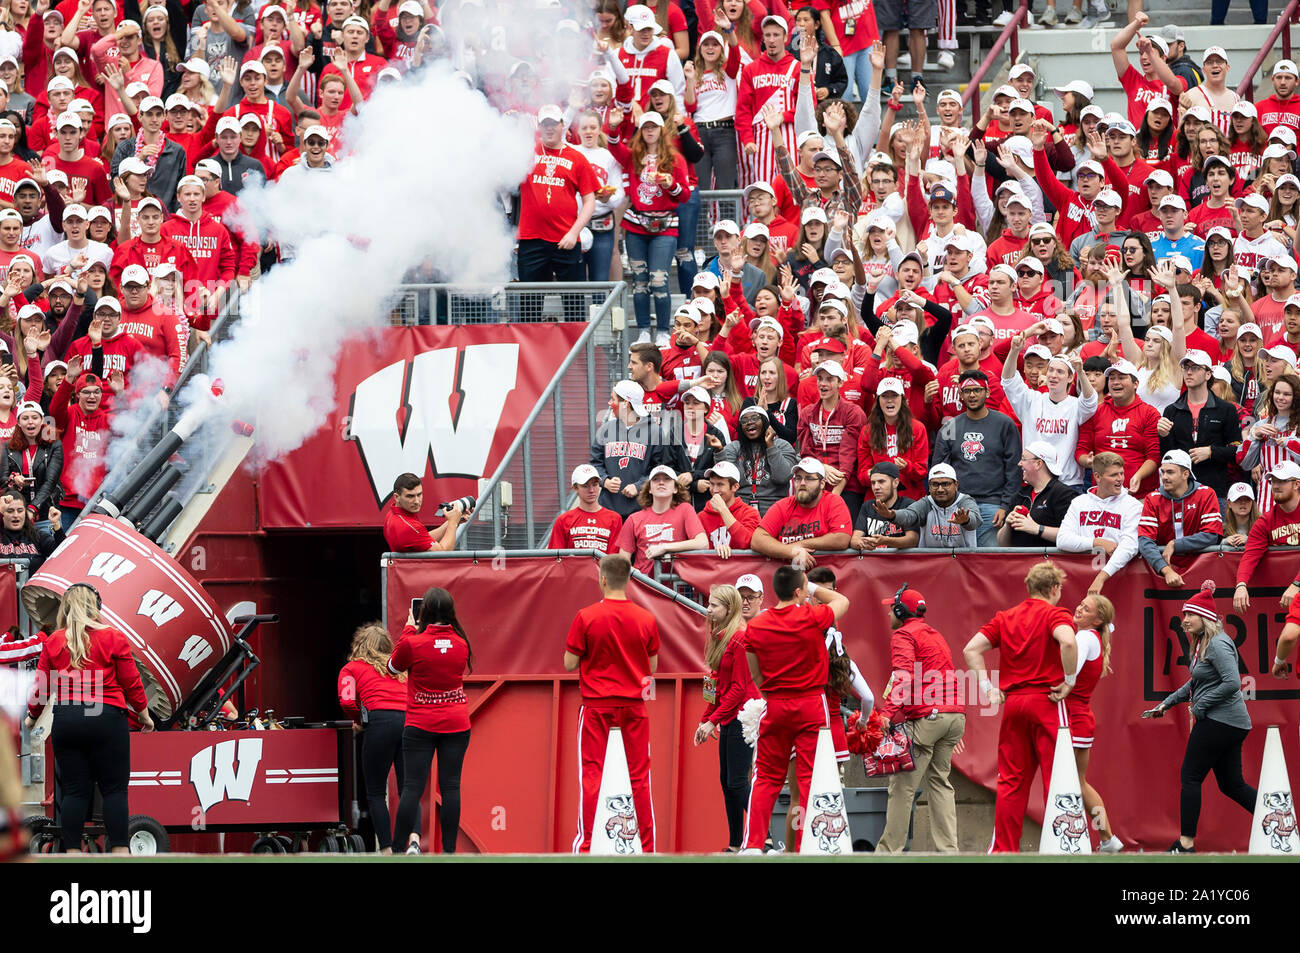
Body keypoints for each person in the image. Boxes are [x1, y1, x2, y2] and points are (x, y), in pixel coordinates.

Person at [24, 583, 155, 853]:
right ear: (96, 607)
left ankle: (72, 853)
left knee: (74, 791)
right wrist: (144, 715)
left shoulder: (54, 641)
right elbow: (131, 683)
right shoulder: (114, 637)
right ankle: (120, 851)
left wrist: (31, 717)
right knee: (114, 790)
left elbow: (41, 687)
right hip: (106, 717)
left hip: (68, 719)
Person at [963, 562, 1078, 854]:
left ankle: (1004, 851)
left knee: (1011, 782)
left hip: (1014, 704)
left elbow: (970, 649)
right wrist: (1069, 680)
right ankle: (1063, 847)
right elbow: (1067, 642)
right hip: (1047, 702)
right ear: (1054, 589)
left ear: (1028, 587)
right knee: (1058, 776)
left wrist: (988, 689)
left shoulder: (1006, 617)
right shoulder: (1056, 614)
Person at [741, 564, 851, 853]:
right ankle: (802, 848)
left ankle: (752, 845)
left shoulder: (756, 626)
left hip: (776, 703)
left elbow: (756, 674)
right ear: (799, 590)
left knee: (765, 778)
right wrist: (811, 587)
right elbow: (842, 601)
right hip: (811, 704)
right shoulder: (811, 617)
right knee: (806, 781)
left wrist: (773, 694)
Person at [1144, 581, 1256, 853]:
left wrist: (1200, 707)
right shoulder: (1202, 644)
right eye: (1184, 615)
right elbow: (1194, 684)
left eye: (1189, 615)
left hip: (1221, 722)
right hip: (1229, 723)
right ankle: (1282, 821)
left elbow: (1232, 683)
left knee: (1190, 777)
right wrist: (1166, 704)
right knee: (1232, 785)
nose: (1184, 620)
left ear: (1205, 617)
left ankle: (1185, 845)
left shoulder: (1218, 644)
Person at [565, 554, 659, 854]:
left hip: (596, 705)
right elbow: (652, 668)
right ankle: (648, 847)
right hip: (634, 706)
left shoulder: (586, 616)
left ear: (602, 578)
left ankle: (586, 845)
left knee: (591, 776)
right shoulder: (646, 618)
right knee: (640, 778)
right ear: (629, 579)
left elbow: (569, 664)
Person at [873, 583, 965, 854]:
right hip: (954, 717)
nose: (889, 612)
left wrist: (887, 714)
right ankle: (949, 853)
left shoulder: (903, 635)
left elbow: (903, 676)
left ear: (901, 611)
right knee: (940, 783)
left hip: (928, 718)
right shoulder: (934, 634)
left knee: (902, 787)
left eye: (892, 608)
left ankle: (888, 853)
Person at [389, 588, 472, 854]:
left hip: (420, 723)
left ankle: (398, 849)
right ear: (451, 612)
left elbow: (393, 667)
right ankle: (448, 852)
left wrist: (408, 630)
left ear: (422, 612)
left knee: (412, 788)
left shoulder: (414, 642)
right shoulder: (461, 643)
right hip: (456, 723)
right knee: (451, 787)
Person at [694, 583, 760, 852]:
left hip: (744, 717)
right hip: (730, 716)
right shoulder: (721, 636)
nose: (708, 610)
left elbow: (738, 689)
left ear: (728, 609)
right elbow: (716, 684)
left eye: (714, 606)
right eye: (709, 604)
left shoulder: (740, 638)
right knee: (727, 781)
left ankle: (763, 836)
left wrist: (712, 721)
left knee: (737, 781)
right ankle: (735, 844)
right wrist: (706, 717)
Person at [338, 622, 413, 854]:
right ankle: (412, 842)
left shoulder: (351, 668)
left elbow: (346, 700)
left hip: (379, 723)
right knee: (407, 788)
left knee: (376, 792)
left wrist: (359, 721)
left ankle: (387, 851)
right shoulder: (399, 670)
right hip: (408, 722)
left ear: (360, 644)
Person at [930, 369, 1021, 546]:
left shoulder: (1004, 424)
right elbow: (939, 471)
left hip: (993, 505)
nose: (972, 395)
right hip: (958, 505)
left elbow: (1014, 470)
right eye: (967, 391)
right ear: (960, 394)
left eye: (977, 390)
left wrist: (1005, 506)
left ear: (987, 392)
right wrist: (944, 507)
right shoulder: (950, 427)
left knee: (990, 562)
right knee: (956, 563)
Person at [1003, 327, 1098, 491]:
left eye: (1060, 372)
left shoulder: (1075, 405)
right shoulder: (1032, 400)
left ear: (1070, 378)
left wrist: (1081, 372)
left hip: (1068, 484)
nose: (1053, 375)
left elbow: (1090, 401)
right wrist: (1013, 351)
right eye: (1051, 370)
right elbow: (1008, 380)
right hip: (1034, 484)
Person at [1065, 593, 1124, 853]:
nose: (1079, 609)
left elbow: (1070, 672)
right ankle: (1107, 839)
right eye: (1080, 604)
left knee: (1075, 783)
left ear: (1098, 619)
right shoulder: (1093, 638)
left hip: (1072, 718)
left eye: (1085, 608)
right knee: (1079, 783)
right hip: (1079, 717)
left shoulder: (1084, 638)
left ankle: (1089, 839)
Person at [516, 104, 596, 283]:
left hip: (565, 238)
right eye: (545, 124)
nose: (549, 128)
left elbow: (590, 201)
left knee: (573, 303)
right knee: (530, 305)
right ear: (539, 126)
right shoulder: (526, 153)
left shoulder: (577, 158)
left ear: (562, 125)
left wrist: (574, 233)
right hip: (531, 239)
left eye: (553, 123)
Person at [1158, 349, 1243, 501]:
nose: (1189, 372)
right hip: (1179, 491)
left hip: (1214, 490)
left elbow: (1237, 450)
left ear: (1208, 374)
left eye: (1195, 368)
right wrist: (1164, 436)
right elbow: (1167, 455)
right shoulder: (1172, 410)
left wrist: (1211, 452)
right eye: (1186, 367)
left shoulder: (1226, 409)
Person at [1056, 452, 1143, 595]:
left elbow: (1130, 545)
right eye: (1114, 475)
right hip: (1080, 580)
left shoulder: (1133, 505)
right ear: (1097, 476)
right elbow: (1062, 540)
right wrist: (1097, 542)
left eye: (1121, 473)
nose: (1120, 479)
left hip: (1119, 579)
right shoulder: (1079, 502)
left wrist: (1102, 577)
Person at [1137, 450, 1225, 588]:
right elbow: (1144, 541)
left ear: (1185, 474)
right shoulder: (1152, 498)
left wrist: (1175, 544)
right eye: (1163, 472)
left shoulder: (1206, 494)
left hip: (1201, 569)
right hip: (1162, 573)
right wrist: (1166, 570)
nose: (1164, 477)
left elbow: (1212, 535)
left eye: (1170, 472)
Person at [749, 456, 852, 567]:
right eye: (798, 478)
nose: (802, 483)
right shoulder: (783, 505)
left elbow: (841, 538)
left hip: (823, 575)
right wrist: (791, 551)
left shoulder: (833, 501)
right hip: (789, 577)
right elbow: (757, 540)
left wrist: (800, 545)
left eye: (808, 478)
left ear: (822, 483)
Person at [616, 464, 707, 576]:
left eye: (667, 479)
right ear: (649, 489)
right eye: (655, 479)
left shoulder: (685, 509)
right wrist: (633, 574)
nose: (661, 482)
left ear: (675, 488)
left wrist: (664, 547)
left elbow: (702, 543)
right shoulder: (634, 519)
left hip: (676, 587)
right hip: (644, 586)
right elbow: (622, 561)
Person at [1234, 460, 1300, 613]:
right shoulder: (1265, 521)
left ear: (1297, 484)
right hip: (1285, 594)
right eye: (1273, 481)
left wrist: (1297, 584)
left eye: (1282, 481)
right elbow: (1250, 554)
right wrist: (1241, 584)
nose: (1275, 486)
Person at [717, 404, 799, 514]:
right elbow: (728, 481)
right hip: (741, 509)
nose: (749, 422)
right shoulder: (734, 447)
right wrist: (719, 452)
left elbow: (782, 477)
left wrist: (771, 446)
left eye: (755, 418)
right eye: (744, 420)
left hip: (775, 509)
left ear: (765, 423)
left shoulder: (782, 445)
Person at [1000, 442, 1080, 548]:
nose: (1019, 463)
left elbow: (1073, 536)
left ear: (1038, 464)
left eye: (1023, 459)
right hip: (1020, 563)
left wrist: (1037, 528)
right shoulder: (1020, 495)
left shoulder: (1064, 494)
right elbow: (1002, 544)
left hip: (1049, 563)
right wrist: (1007, 525)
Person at [381, 472, 466, 553]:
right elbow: (443, 553)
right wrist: (453, 523)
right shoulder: (409, 527)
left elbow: (422, 538)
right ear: (396, 497)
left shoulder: (392, 514)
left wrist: (453, 521)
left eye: (419, 494)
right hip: (417, 568)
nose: (417, 501)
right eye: (410, 496)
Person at [548, 463, 623, 553]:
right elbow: (555, 558)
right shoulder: (563, 520)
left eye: (595, 484)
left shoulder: (614, 519)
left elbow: (614, 559)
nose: (591, 490)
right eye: (585, 486)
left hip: (602, 567)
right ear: (575, 488)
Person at [696, 460, 759, 558]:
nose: (714, 490)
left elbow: (747, 543)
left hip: (740, 570)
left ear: (735, 487)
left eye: (720, 484)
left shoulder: (750, 513)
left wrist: (723, 510)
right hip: (710, 571)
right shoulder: (701, 516)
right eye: (712, 484)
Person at [850, 460, 919, 550]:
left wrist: (885, 541)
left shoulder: (908, 505)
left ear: (895, 483)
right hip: (873, 562)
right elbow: (854, 540)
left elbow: (913, 540)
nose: (876, 487)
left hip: (900, 562)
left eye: (881, 481)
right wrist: (861, 544)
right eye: (873, 483)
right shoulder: (867, 506)